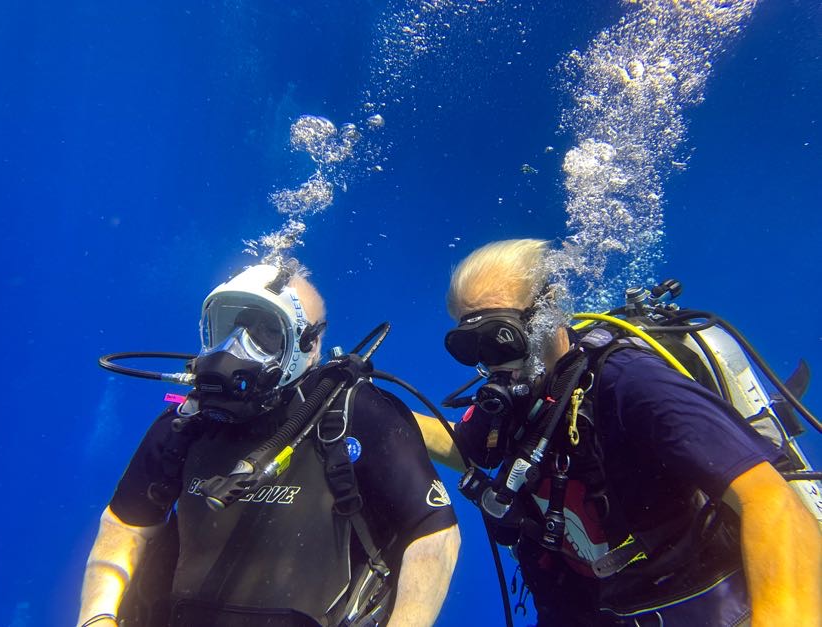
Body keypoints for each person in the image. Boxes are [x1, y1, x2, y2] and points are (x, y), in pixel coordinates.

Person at [415, 239, 821, 626]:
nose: (491, 363)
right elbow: (464, 446)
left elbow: (770, 500)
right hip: (597, 610)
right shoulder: (517, 394)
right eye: (470, 347)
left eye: (501, 338)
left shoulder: (631, 383)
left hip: (696, 604)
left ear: (549, 310)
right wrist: (375, 408)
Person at [77, 261, 460, 627]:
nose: (235, 349)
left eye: (264, 334)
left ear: (307, 345)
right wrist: (97, 615)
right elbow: (126, 524)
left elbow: (435, 535)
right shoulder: (186, 424)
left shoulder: (357, 414)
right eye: (226, 327)